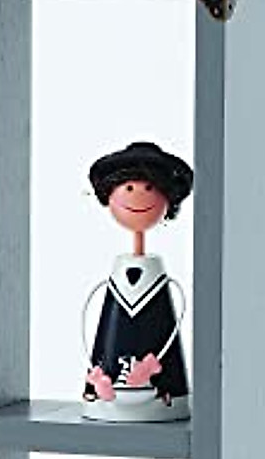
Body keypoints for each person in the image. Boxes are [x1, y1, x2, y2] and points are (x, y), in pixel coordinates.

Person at [81, 141, 194, 422]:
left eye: (150, 187)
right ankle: (100, 388)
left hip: (160, 390)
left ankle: (164, 393)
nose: (138, 195)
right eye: (128, 188)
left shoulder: (159, 278)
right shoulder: (118, 275)